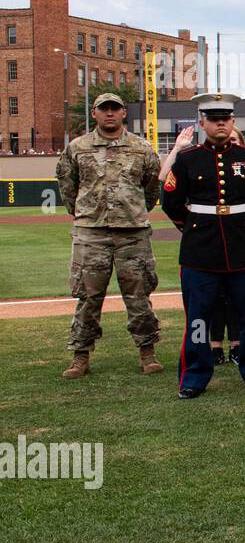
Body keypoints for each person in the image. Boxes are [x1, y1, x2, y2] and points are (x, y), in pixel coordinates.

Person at [160, 93, 245, 398]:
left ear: (233, 121)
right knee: (198, 318)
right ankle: (194, 376)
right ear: (202, 122)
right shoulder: (187, 160)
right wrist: (193, 228)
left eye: (225, 118)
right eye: (214, 119)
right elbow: (170, 201)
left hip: (243, 247)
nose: (220, 124)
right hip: (200, 250)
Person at [55, 90, 164, 379]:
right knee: (88, 297)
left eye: (115, 108)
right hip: (91, 232)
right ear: (95, 114)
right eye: (104, 109)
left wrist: (134, 211)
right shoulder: (77, 148)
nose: (110, 113)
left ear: (123, 113)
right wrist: (84, 212)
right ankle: (80, 355)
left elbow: (151, 187)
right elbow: (68, 186)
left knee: (139, 294)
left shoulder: (141, 148)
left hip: (132, 232)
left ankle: (147, 351)